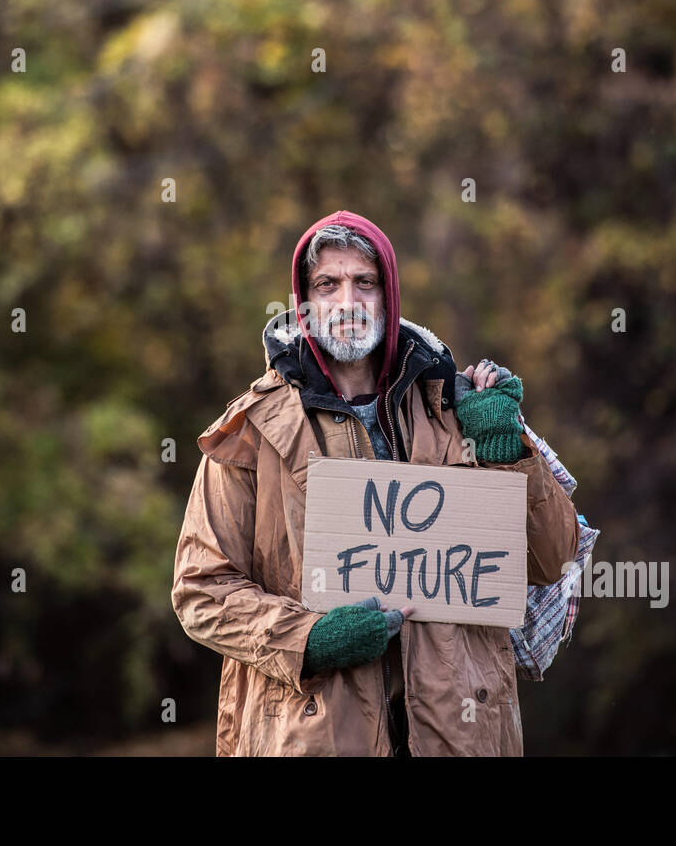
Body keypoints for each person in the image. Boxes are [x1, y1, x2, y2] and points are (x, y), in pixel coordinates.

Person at [171, 210, 579, 756]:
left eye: (365, 282)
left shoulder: (455, 407)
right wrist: (308, 639)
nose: (347, 301)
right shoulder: (253, 432)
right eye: (327, 284)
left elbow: (552, 559)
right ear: (305, 305)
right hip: (311, 737)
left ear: (389, 299)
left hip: (462, 736)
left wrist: (507, 450)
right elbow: (201, 590)